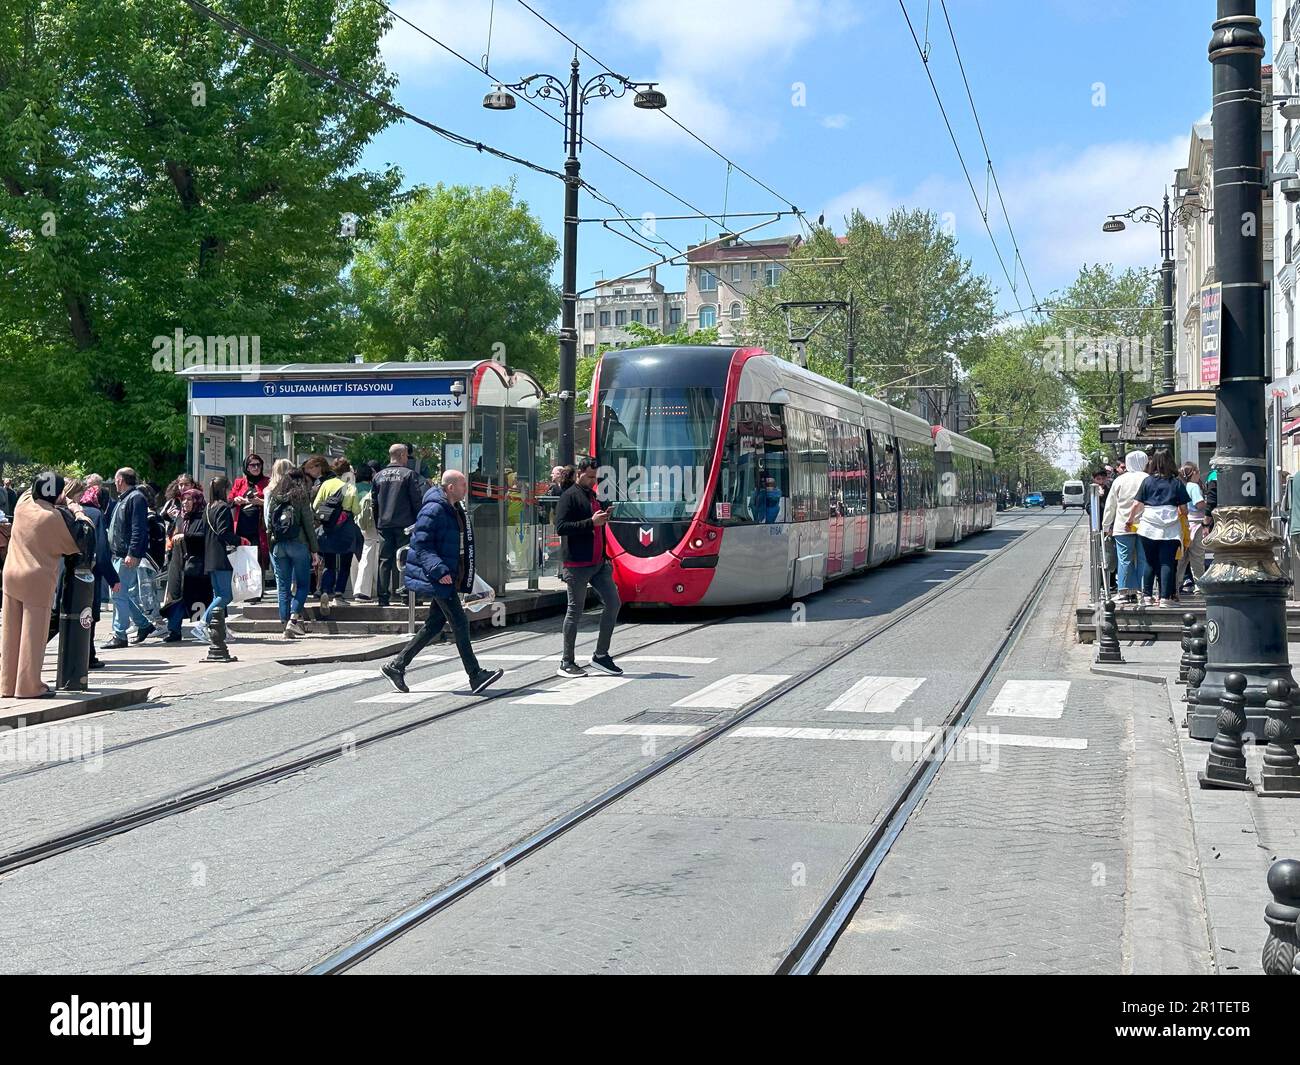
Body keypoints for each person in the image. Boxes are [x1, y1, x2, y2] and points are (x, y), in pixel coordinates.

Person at [380, 470, 503, 695]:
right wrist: (438, 569)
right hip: (438, 576)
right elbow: (421, 544)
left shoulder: (453, 508)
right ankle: (475, 675)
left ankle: (396, 666)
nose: (466, 489)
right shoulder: (434, 508)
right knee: (460, 622)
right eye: (463, 485)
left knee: (434, 624)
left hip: (447, 574)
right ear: (450, 487)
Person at [1, 472, 81, 699]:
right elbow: (76, 542)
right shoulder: (53, 517)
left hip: (10, 574)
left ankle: (6, 684)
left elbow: (31, 488)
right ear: (57, 494)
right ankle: (29, 686)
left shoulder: (22, 505)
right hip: (37, 579)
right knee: (33, 635)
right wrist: (75, 507)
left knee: (10, 631)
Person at [554, 458, 622, 678]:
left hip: (598, 562)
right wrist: (591, 523)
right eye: (590, 477)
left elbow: (595, 523)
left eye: (596, 477)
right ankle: (567, 661)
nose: (594, 481)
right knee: (575, 611)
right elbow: (561, 527)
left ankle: (601, 655)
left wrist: (603, 516)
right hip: (577, 564)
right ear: (579, 474)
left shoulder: (592, 496)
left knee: (614, 603)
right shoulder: (569, 497)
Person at [1127, 449, 1190, 607]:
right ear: (1170, 462)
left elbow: (1136, 504)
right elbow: (1184, 509)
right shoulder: (1176, 483)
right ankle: (1165, 598)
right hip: (1170, 528)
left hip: (1148, 525)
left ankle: (1147, 596)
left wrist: (1129, 521)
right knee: (1166, 562)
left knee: (1149, 561)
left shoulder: (1147, 481)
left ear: (1153, 462)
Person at [103, 467, 156, 649]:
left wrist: (133, 553)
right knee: (121, 593)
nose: (115, 483)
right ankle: (143, 624)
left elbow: (138, 529)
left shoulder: (135, 498)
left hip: (126, 555)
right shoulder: (126, 499)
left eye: (116, 480)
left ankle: (120, 634)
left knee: (117, 594)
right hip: (120, 554)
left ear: (120, 480)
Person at [266, 459, 320, 638]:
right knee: (303, 585)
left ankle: (284, 624)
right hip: (299, 544)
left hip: (279, 545)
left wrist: (271, 544)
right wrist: (314, 550)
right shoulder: (301, 495)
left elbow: (269, 523)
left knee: (282, 587)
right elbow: (308, 525)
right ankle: (293, 620)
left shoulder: (274, 495)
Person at [371, 443, 424, 607]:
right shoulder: (409, 475)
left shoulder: (378, 476)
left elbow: (374, 503)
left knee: (384, 560)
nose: (407, 459)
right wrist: (420, 521)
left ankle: (383, 597)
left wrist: (378, 522)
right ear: (402, 455)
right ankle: (407, 594)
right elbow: (416, 501)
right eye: (407, 455)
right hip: (405, 524)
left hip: (384, 524)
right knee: (407, 558)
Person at [73, 484, 117, 665]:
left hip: (67, 570)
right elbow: (101, 550)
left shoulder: (70, 511)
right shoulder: (96, 514)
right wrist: (113, 578)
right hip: (89, 573)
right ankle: (88, 655)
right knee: (89, 615)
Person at [160, 487, 212, 643]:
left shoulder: (203, 517)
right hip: (178, 562)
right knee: (175, 597)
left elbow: (204, 537)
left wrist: (186, 536)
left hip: (197, 565)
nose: (185, 503)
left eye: (189, 500)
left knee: (198, 599)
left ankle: (201, 629)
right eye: (183, 499)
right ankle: (174, 630)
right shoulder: (181, 518)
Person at [1101, 450, 1150, 606]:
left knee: (1124, 559)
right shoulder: (1148, 479)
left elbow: (1111, 505)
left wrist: (1106, 524)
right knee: (1144, 558)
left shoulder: (1120, 480)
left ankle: (1124, 591)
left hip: (1123, 525)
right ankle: (1143, 591)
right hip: (1145, 525)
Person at [313, 457, 360, 615]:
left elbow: (315, 505)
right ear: (348, 472)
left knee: (329, 563)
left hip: (327, 529)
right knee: (345, 563)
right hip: (345, 529)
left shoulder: (326, 484)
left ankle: (326, 590)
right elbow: (356, 510)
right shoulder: (350, 487)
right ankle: (339, 593)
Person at [198, 474, 240, 640]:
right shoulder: (222, 508)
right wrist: (239, 540)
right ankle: (203, 624)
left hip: (209, 556)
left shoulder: (208, 508)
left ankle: (219, 629)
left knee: (218, 595)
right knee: (226, 596)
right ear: (223, 489)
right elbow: (224, 533)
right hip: (221, 557)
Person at [231, 454, 270, 603]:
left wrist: (261, 502)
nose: (255, 468)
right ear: (246, 467)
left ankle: (256, 591)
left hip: (259, 527)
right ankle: (246, 589)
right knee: (244, 558)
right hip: (242, 527)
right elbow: (230, 499)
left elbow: (273, 501)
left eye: (258, 465)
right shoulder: (240, 482)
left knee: (258, 558)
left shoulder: (267, 482)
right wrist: (236, 500)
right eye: (252, 465)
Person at [1176, 462, 1207, 597]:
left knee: (1182, 558)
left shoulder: (1182, 486)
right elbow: (1199, 504)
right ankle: (1199, 585)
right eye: (1198, 472)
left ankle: (1175, 584)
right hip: (1196, 523)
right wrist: (1210, 503)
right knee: (1197, 556)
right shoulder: (1194, 486)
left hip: (1184, 523)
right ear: (1193, 473)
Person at [353, 460, 382, 601]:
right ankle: (368, 590)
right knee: (370, 555)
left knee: (356, 559)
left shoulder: (352, 488)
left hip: (354, 525)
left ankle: (355, 588)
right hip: (370, 526)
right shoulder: (372, 488)